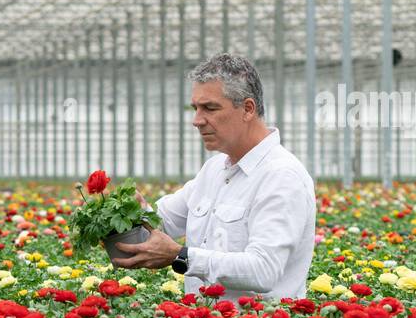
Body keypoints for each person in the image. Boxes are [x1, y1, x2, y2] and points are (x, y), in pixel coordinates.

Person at [111, 54, 315, 301]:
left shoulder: (281, 176)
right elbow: (159, 224)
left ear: (248, 109)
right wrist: (125, 212)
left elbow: (264, 270)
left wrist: (182, 257)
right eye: (195, 108)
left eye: (210, 108)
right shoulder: (214, 169)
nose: (197, 120)